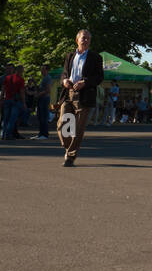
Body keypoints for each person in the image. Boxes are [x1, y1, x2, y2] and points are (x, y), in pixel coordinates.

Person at [59, 29, 104, 167]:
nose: (86, 40)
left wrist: (85, 82)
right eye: (84, 38)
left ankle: (70, 157)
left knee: (78, 129)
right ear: (77, 40)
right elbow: (64, 73)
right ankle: (68, 148)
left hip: (84, 95)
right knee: (64, 126)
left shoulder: (95, 57)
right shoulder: (70, 55)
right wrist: (65, 80)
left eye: (88, 39)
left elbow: (99, 77)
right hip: (68, 93)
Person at [0, 64, 26, 140]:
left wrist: (1, 99)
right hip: (15, 101)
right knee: (12, 119)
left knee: (5, 118)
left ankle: (3, 134)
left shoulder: (7, 78)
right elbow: (22, 92)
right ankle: (8, 135)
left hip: (7, 100)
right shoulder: (21, 80)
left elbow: (3, 89)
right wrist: (24, 103)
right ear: (21, 71)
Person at [31, 65, 53, 138]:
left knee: (44, 117)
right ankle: (41, 134)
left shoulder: (48, 78)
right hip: (41, 99)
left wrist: (38, 95)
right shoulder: (43, 78)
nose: (41, 71)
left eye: (43, 69)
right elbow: (40, 89)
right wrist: (34, 82)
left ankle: (45, 134)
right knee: (40, 117)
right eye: (41, 69)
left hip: (45, 99)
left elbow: (48, 90)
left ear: (47, 70)